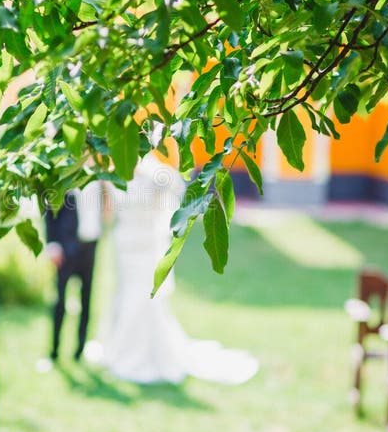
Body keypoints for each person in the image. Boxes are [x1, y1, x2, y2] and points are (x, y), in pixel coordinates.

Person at [86, 153, 259, 386]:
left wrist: (150, 170)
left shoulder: (154, 176)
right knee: (124, 296)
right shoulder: (114, 175)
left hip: (146, 248)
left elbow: (176, 185)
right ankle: (117, 347)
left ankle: (145, 353)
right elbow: (106, 211)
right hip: (124, 247)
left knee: (144, 299)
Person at [43, 181, 102, 365]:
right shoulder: (65, 177)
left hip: (90, 246)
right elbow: (50, 210)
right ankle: (54, 350)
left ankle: (79, 350)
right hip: (66, 247)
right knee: (60, 301)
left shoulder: (101, 180)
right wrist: (52, 243)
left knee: (86, 300)